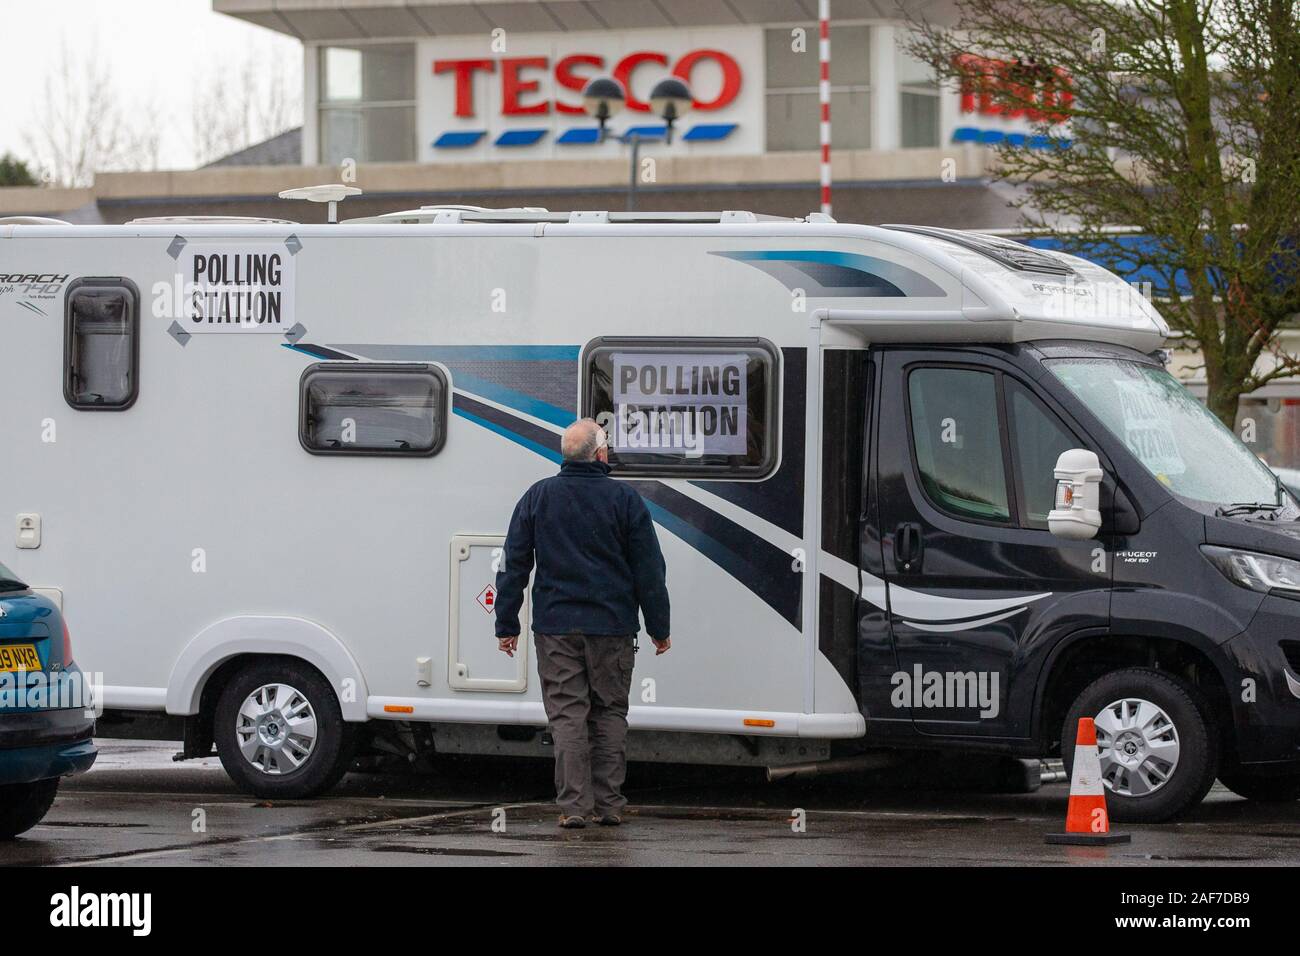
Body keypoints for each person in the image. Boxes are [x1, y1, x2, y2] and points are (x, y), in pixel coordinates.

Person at [495, 418, 671, 828]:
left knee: (567, 716)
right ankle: (610, 806)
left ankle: (574, 808)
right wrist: (658, 627)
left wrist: (507, 624)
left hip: (556, 628)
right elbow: (649, 571)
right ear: (600, 453)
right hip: (612, 627)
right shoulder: (625, 500)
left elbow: (512, 565)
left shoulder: (538, 497)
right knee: (609, 713)